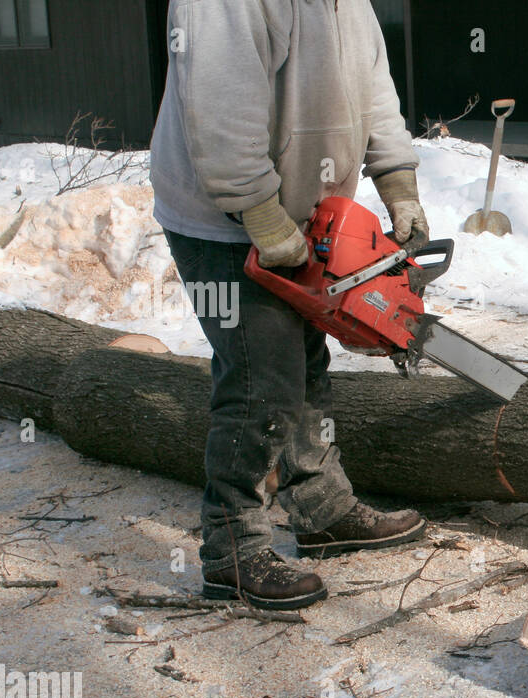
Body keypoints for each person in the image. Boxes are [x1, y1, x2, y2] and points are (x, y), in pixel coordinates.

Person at [150, 0, 429, 610]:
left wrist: (398, 181)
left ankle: (322, 510)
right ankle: (232, 549)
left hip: (300, 207)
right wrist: (255, 207)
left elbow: (374, 88)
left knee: (304, 361)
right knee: (261, 379)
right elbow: (219, 103)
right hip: (220, 218)